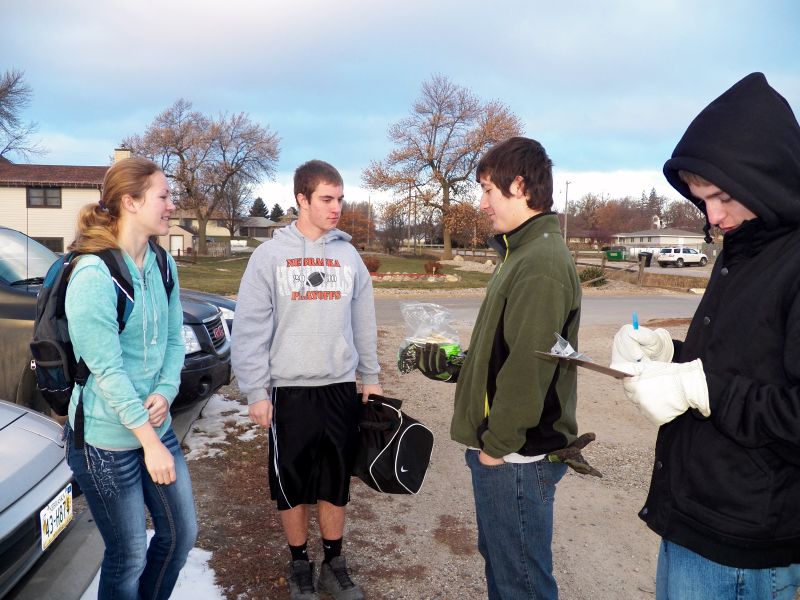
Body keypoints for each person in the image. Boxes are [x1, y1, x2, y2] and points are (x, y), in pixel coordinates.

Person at [611, 72, 800, 599]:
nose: (713, 217)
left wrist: (700, 388)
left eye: (722, 196)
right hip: (696, 516)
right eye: (701, 199)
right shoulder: (745, 247)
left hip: (744, 546)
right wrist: (669, 354)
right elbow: (743, 360)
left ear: (768, 175)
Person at [415, 136, 585, 599]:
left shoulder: (541, 261)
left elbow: (529, 368)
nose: (482, 203)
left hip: (516, 458)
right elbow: (504, 350)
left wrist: (497, 448)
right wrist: (456, 365)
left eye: (488, 189)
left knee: (520, 583)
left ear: (520, 186)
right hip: (506, 455)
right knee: (506, 571)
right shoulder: (519, 253)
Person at [231, 159, 381, 600]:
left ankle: (334, 562)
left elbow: (363, 322)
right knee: (292, 484)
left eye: (340, 199)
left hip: (339, 387)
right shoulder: (269, 256)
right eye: (326, 199)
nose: (336, 208)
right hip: (289, 391)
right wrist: (256, 391)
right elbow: (250, 328)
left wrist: (370, 376)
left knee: (336, 481)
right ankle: (300, 563)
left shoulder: (348, 256)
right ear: (302, 199)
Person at [64, 157, 197, 600]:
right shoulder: (93, 274)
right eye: (164, 196)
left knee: (180, 536)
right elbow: (106, 369)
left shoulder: (163, 263)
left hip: (153, 427)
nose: (172, 205)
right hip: (105, 439)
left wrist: (166, 390)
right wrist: (150, 441)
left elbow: (174, 340)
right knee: (129, 555)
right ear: (131, 202)